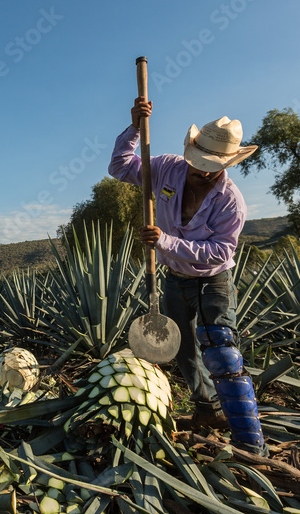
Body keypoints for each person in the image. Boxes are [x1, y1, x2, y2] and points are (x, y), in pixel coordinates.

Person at [109, 96, 268, 456]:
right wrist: (134, 127)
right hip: (174, 276)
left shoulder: (230, 200)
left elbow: (222, 252)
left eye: (212, 166)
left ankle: (249, 441)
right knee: (181, 348)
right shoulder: (166, 168)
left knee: (221, 349)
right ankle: (207, 410)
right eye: (199, 163)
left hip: (213, 279)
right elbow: (119, 167)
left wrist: (166, 240)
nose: (203, 172)